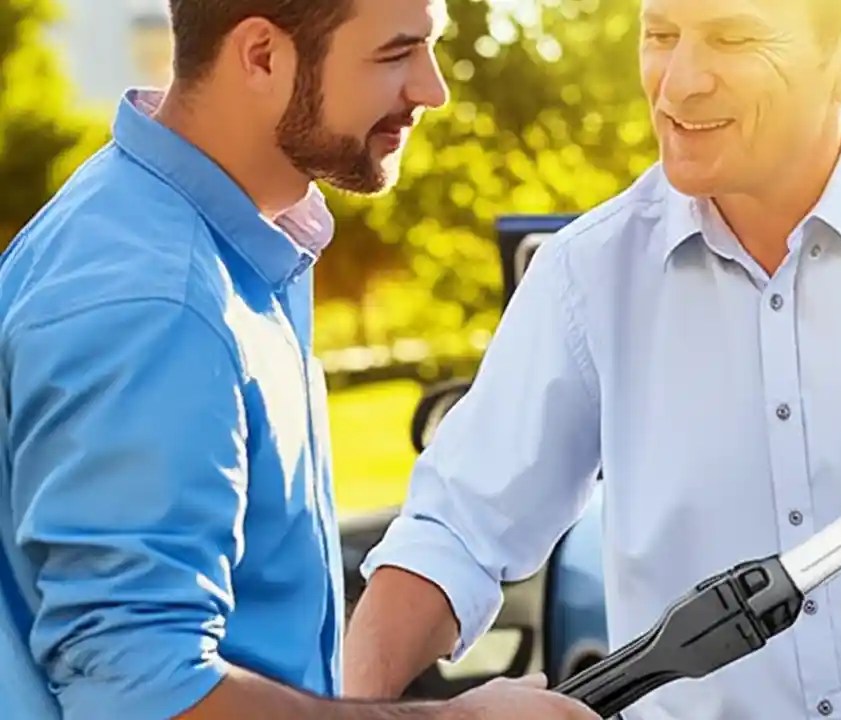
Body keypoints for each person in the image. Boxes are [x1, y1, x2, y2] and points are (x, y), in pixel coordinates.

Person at [343, 0, 841, 718]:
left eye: (733, 38)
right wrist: (350, 712)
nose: (677, 84)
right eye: (660, 34)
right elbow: (456, 534)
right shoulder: (587, 275)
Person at [0, 1, 597, 719]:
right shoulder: (158, 300)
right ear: (261, 56)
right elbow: (144, 695)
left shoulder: (221, 240)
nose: (432, 89)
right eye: (396, 54)